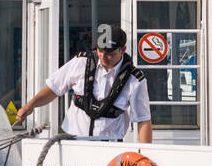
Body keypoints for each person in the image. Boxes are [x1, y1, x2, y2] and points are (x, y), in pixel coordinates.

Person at [16, 26, 152, 143]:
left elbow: (143, 120)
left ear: (122, 50)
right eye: (100, 51)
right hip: (73, 142)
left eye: (109, 53)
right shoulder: (80, 63)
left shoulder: (135, 80)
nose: (103, 57)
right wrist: (30, 105)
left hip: (109, 146)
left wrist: (145, 158)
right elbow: (53, 88)